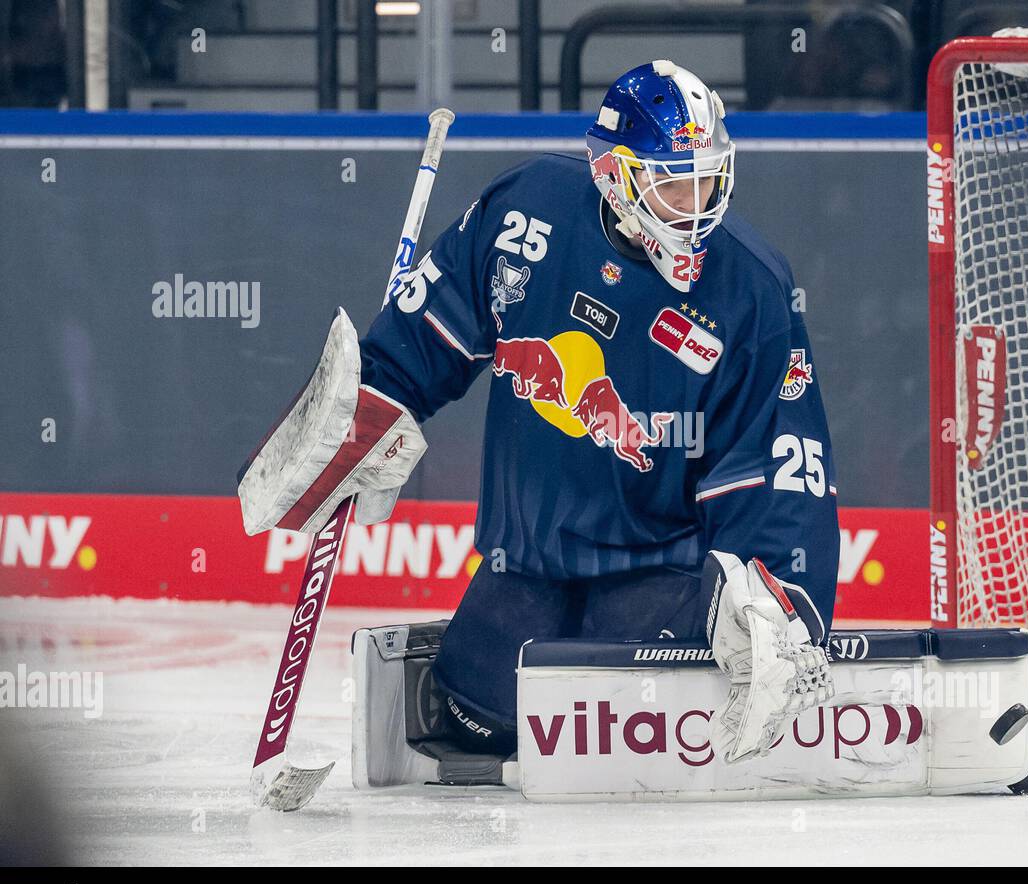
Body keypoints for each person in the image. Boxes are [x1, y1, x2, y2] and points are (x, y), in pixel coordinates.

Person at [241, 61, 840, 764]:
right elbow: (426, 335)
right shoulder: (527, 209)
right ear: (615, 174)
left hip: (662, 568)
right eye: (673, 178)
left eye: (708, 176)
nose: (697, 199)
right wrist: (362, 409)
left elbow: (774, 461)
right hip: (528, 559)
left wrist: (777, 602)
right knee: (475, 714)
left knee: (609, 727)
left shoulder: (750, 286)